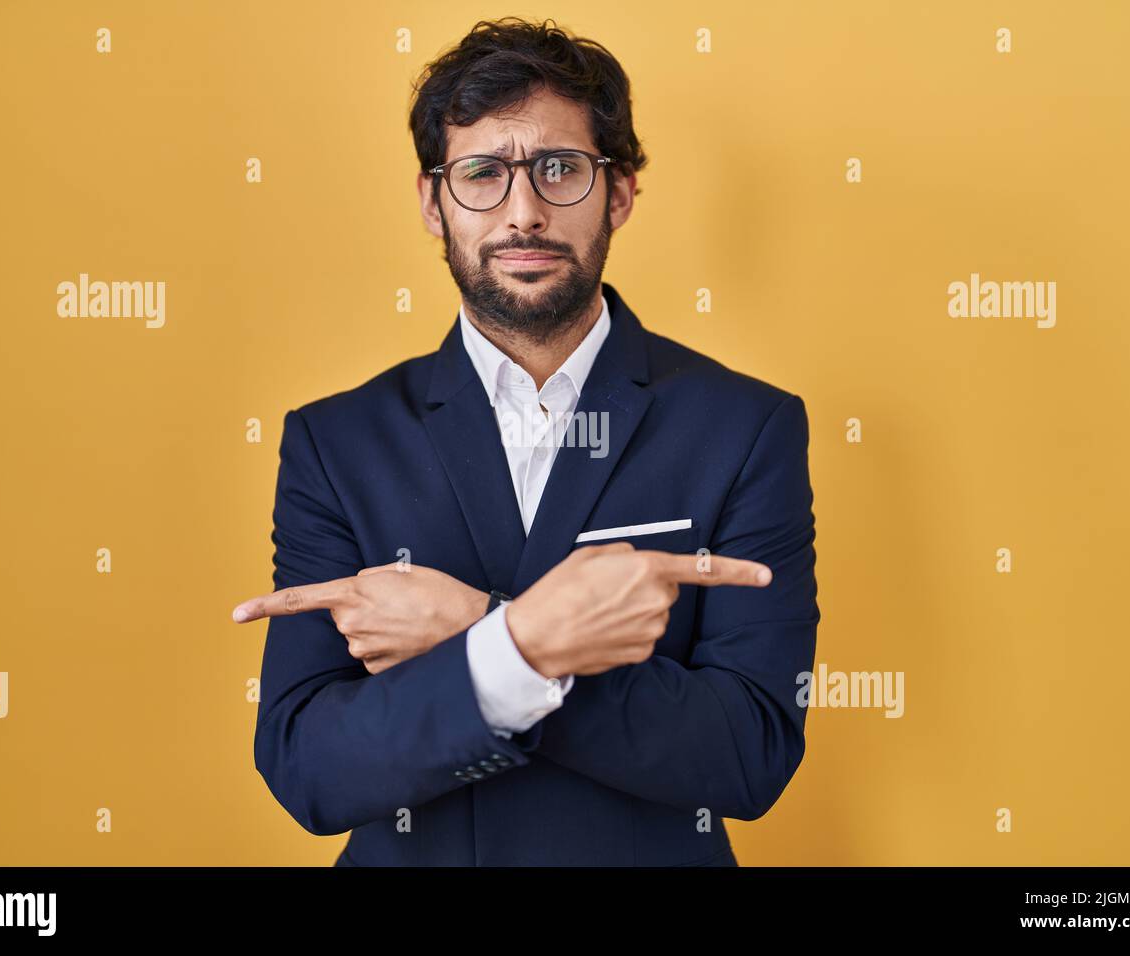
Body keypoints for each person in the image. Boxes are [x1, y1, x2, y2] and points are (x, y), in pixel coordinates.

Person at [231, 17, 820, 866]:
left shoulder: (744, 427)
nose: (524, 213)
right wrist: (523, 645)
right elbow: (310, 768)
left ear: (618, 193)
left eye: (559, 169)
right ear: (434, 204)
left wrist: (481, 630)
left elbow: (748, 751)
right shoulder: (336, 441)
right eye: (481, 174)